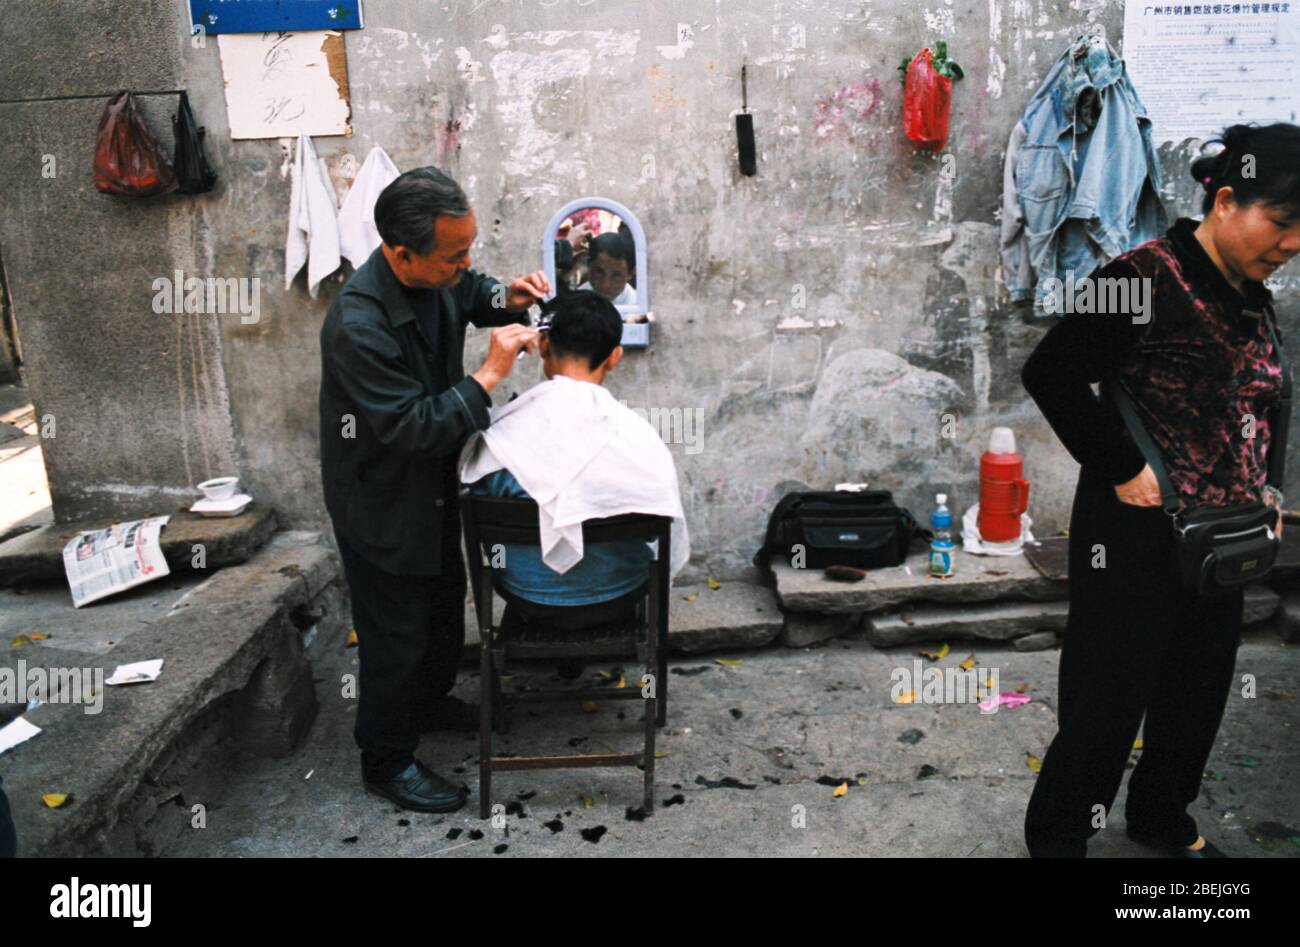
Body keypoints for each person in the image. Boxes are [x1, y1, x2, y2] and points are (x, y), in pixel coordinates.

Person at [1020, 123, 1300, 858]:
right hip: (1135, 532)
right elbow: (1051, 372)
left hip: (1223, 535)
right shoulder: (1142, 278)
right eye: (1282, 222)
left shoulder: (1250, 293)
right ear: (1227, 200)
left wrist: (1266, 489)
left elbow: (1265, 399)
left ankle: (1160, 815)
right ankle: (1059, 834)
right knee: (1109, 695)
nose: (1293, 243)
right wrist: (1121, 467)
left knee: (1197, 690)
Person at [319, 166, 548, 814]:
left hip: (436, 481)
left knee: (445, 596)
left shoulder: (438, 275)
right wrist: (489, 374)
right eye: (454, 255)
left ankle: (428, 699)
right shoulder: (357, 325)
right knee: (396, 626)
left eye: (469, 248)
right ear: (401, 254)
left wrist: (509, 295)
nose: (465, 264)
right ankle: (386, 757)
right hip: (382, 492)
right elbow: (411, 427)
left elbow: (473, 290)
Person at [459, 290, 689, 675]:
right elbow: (663, 521)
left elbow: (477, 503)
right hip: (619, 592)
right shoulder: (640, 442)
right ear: (615, 356)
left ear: (542, 344)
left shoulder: (499, 437)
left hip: (526, 595)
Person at [578, 233, 637, 307]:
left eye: (616, 275)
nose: (605, 285)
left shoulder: (639, 309)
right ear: (589, 266)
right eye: (599, 272)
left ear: (631, 273)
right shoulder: (575, 301)